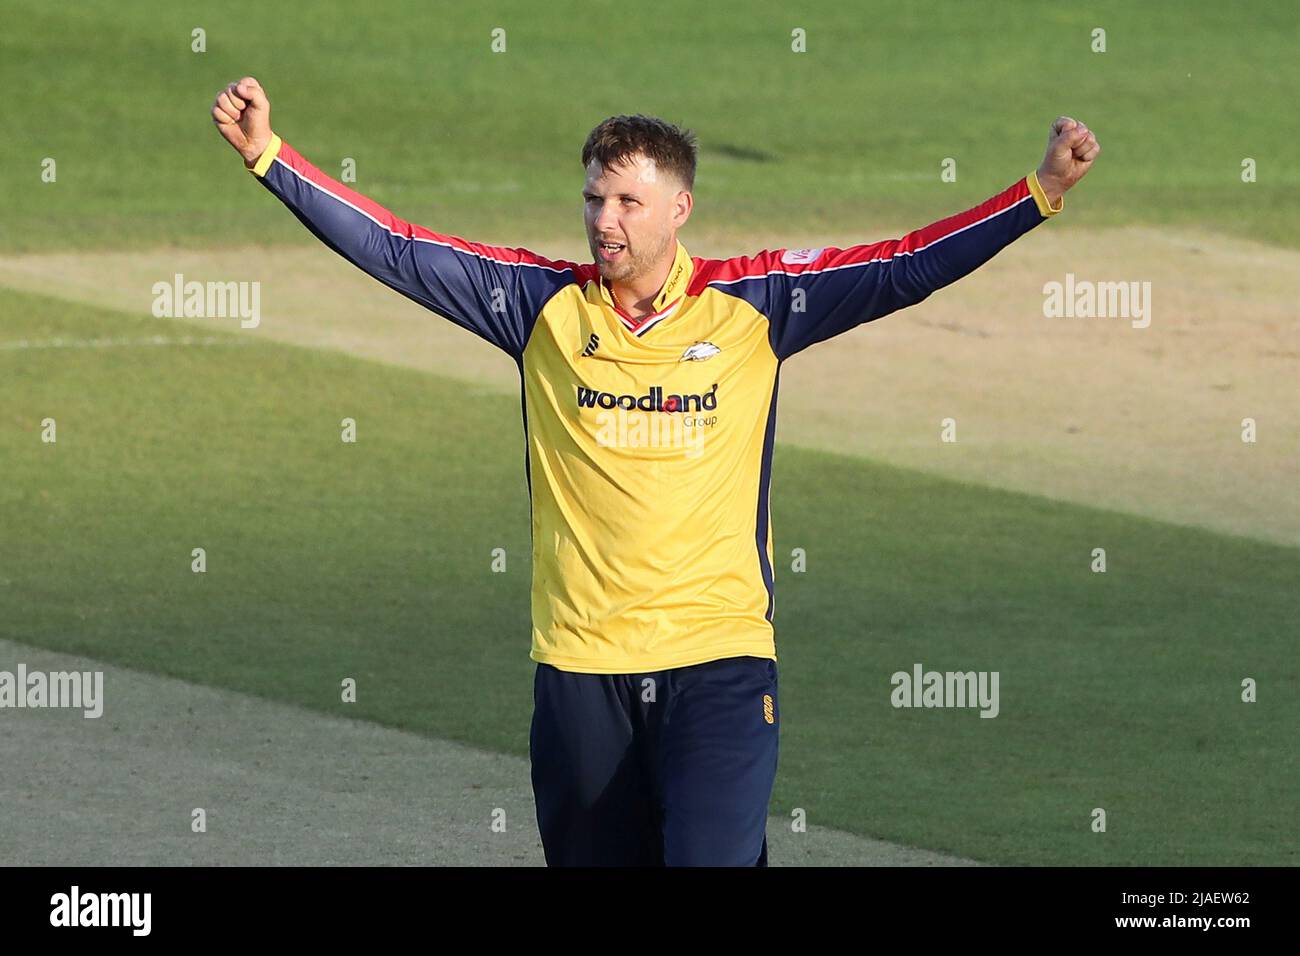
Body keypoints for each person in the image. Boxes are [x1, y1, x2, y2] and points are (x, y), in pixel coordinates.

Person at [211, 76, 1100, 866]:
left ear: (679, 210)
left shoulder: (758, 305)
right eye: (595, 198)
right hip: (580, 669)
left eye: (630, 202)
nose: (606, 220)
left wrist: (1039, 192)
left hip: (718, 662)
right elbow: (398, 249)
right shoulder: (537, 307)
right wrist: (270, 157)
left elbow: (903, 266)